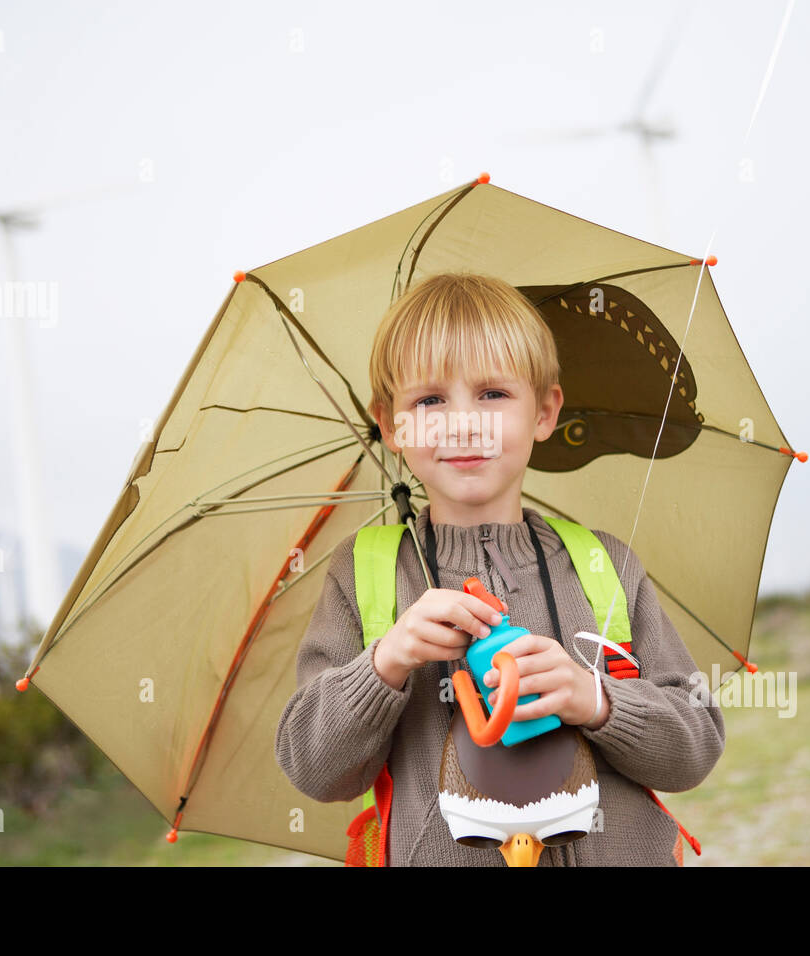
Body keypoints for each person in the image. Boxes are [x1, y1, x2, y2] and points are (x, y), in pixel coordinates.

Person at [274, 272, 724, 865]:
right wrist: (386, 662)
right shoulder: (364, 575)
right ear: (391, 425)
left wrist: (596, 700)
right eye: (429, 400)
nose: (464, 423)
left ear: (544, 411)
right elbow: (315, 769)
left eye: (492, 394)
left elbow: (695, 746)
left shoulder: (602, 562)